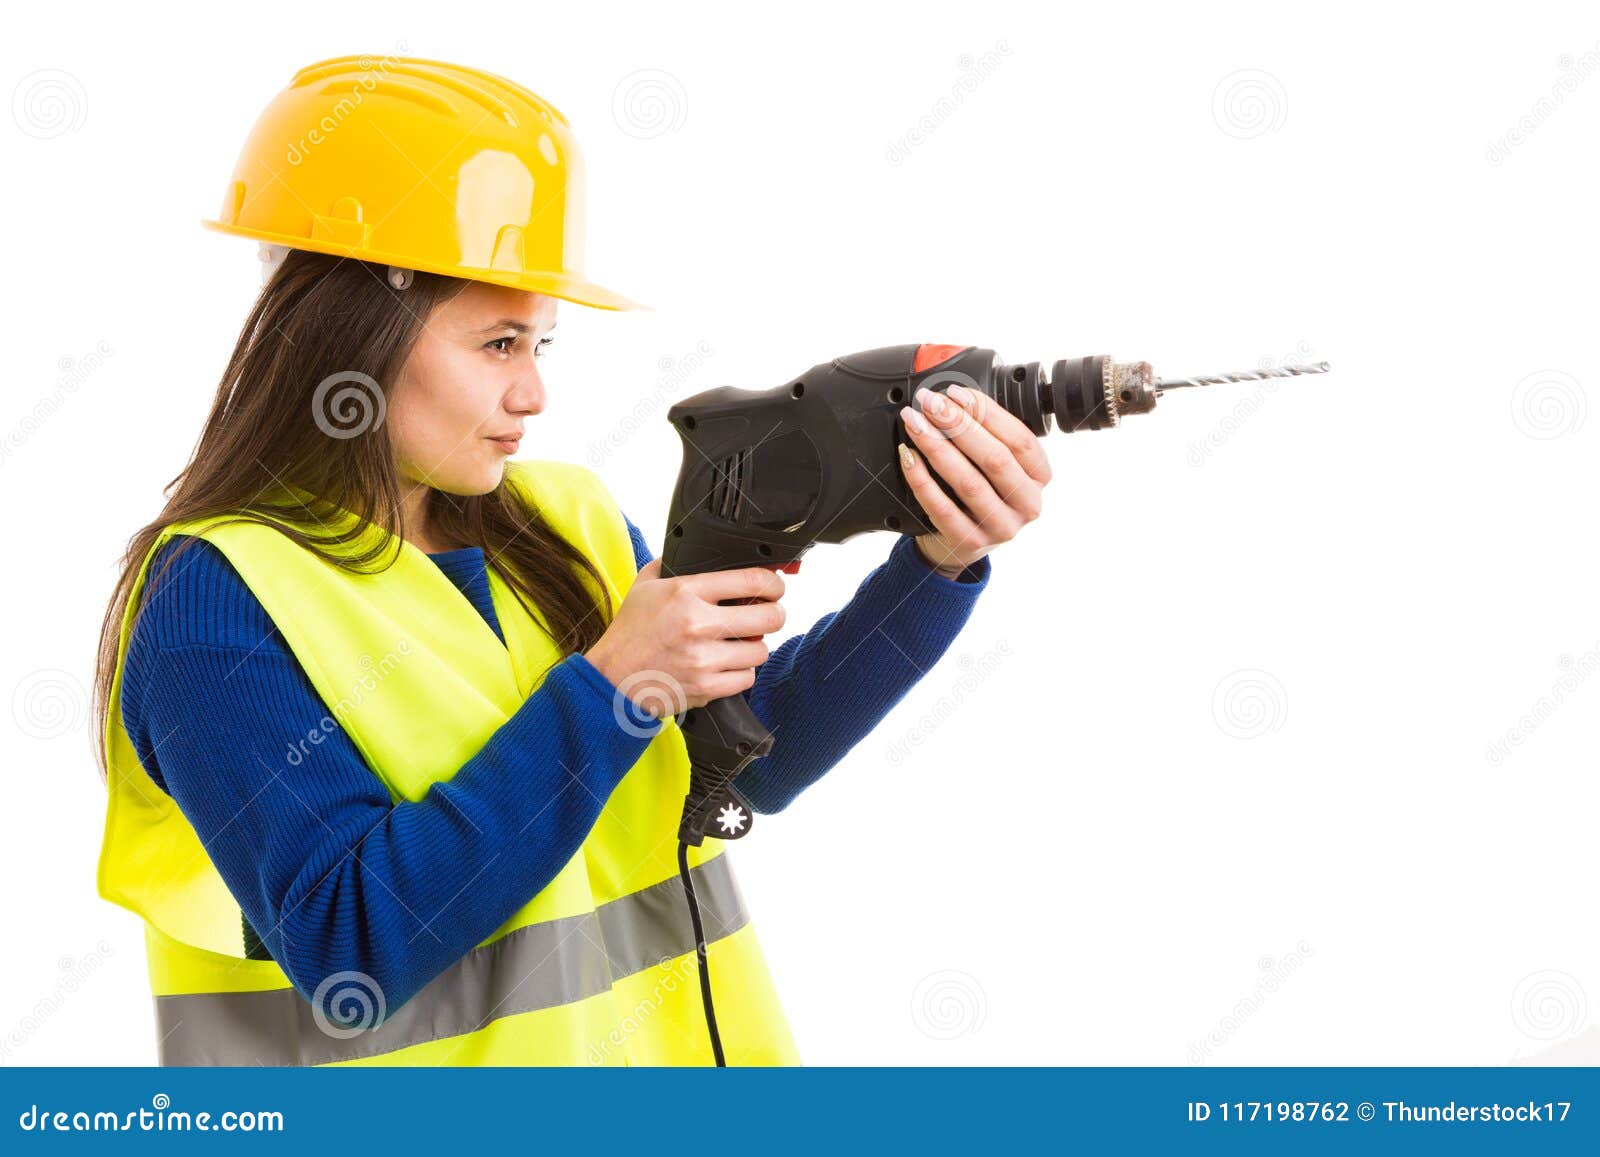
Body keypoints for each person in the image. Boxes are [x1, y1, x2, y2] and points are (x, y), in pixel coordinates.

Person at [91, 56, 1051, 1066]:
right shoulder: (216, 596)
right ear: (350, 342)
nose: (534, 396)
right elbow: (351, 946)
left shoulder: (569, 519)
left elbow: (743, 755)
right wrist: (616, 682)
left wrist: (936, 566)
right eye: (499, 344)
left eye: (542, 345)